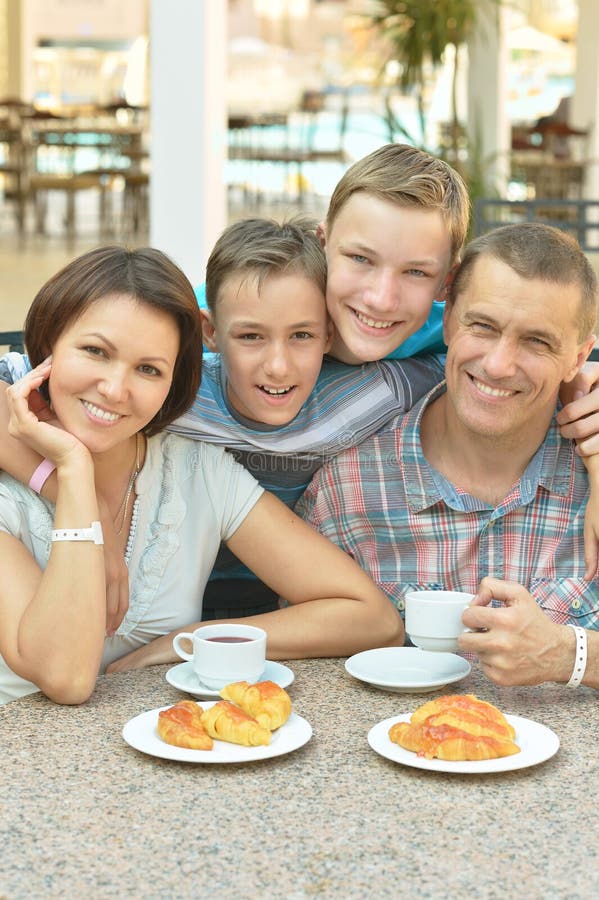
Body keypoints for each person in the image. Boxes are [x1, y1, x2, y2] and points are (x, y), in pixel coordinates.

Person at [0, 245, 403, 705]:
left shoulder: (195, 470)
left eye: (149, 369)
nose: (114, 389)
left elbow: (373, 619)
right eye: (95, 351)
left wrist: (192, 639)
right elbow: (66, 678)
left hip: (163, 742)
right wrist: (74, 477)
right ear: (48, 347)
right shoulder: (7, 496)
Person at [298, 223, 599, 689]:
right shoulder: (346, 490)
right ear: (449, 317)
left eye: (537, 342)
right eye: (483, 326)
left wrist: (570, 655)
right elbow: (307, 680)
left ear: (578, 358)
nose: (498, 365)